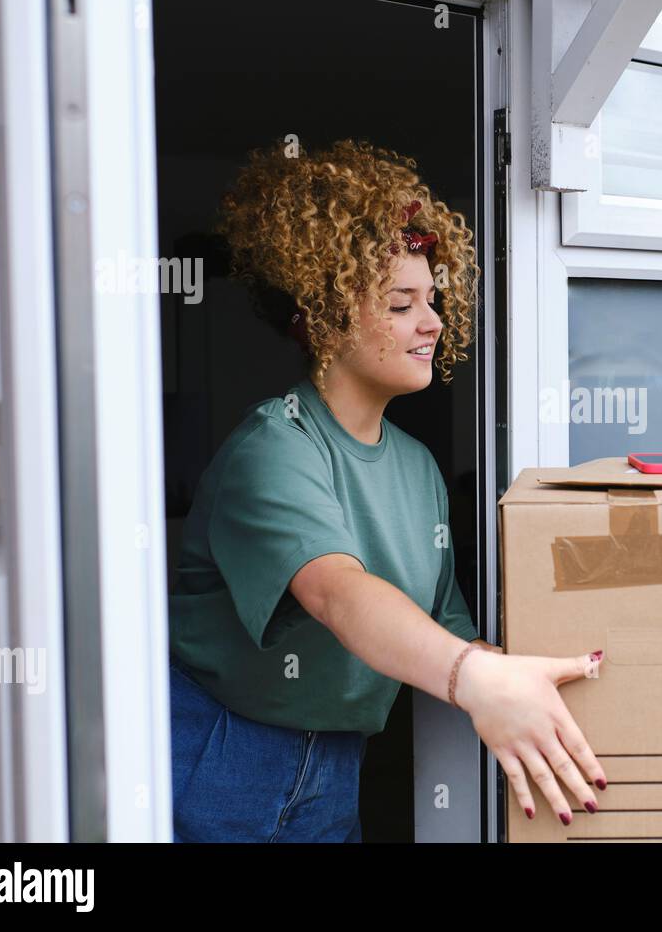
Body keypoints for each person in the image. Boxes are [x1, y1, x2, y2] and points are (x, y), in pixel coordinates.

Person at [168, 138, 605, 842]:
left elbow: (447, 627)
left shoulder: (417, 467)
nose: (433, 322)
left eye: (432, 299)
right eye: (402, 304)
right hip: (222, 750)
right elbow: (340, 593)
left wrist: (533, 676)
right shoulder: (273, 447)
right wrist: (473, 681)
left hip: (337, 760)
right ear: (323, 315)